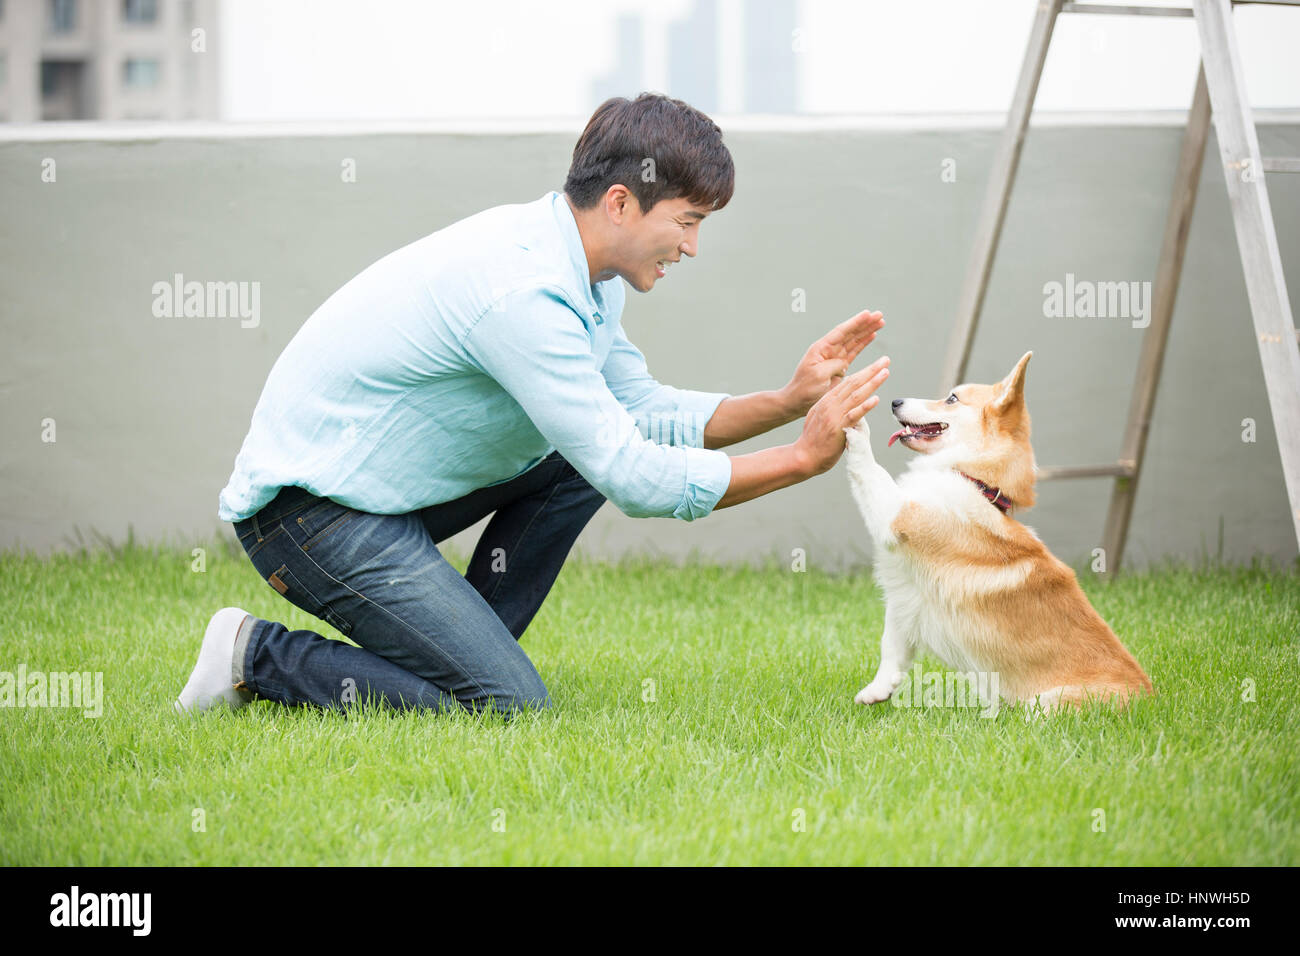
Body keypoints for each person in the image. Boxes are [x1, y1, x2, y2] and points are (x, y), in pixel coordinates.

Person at [175, 92, 890, 718]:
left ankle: (466, 650)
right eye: (687, 220)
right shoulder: (526, 293)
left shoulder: (587, 269)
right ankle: (251, 654)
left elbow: (634, 408)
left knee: (576, 458)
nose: (693, 247)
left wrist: (789, 400)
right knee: (506, 705)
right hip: (308, 517)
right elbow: (633, 476)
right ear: (620, 202)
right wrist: (799, 460)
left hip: (376, 495)